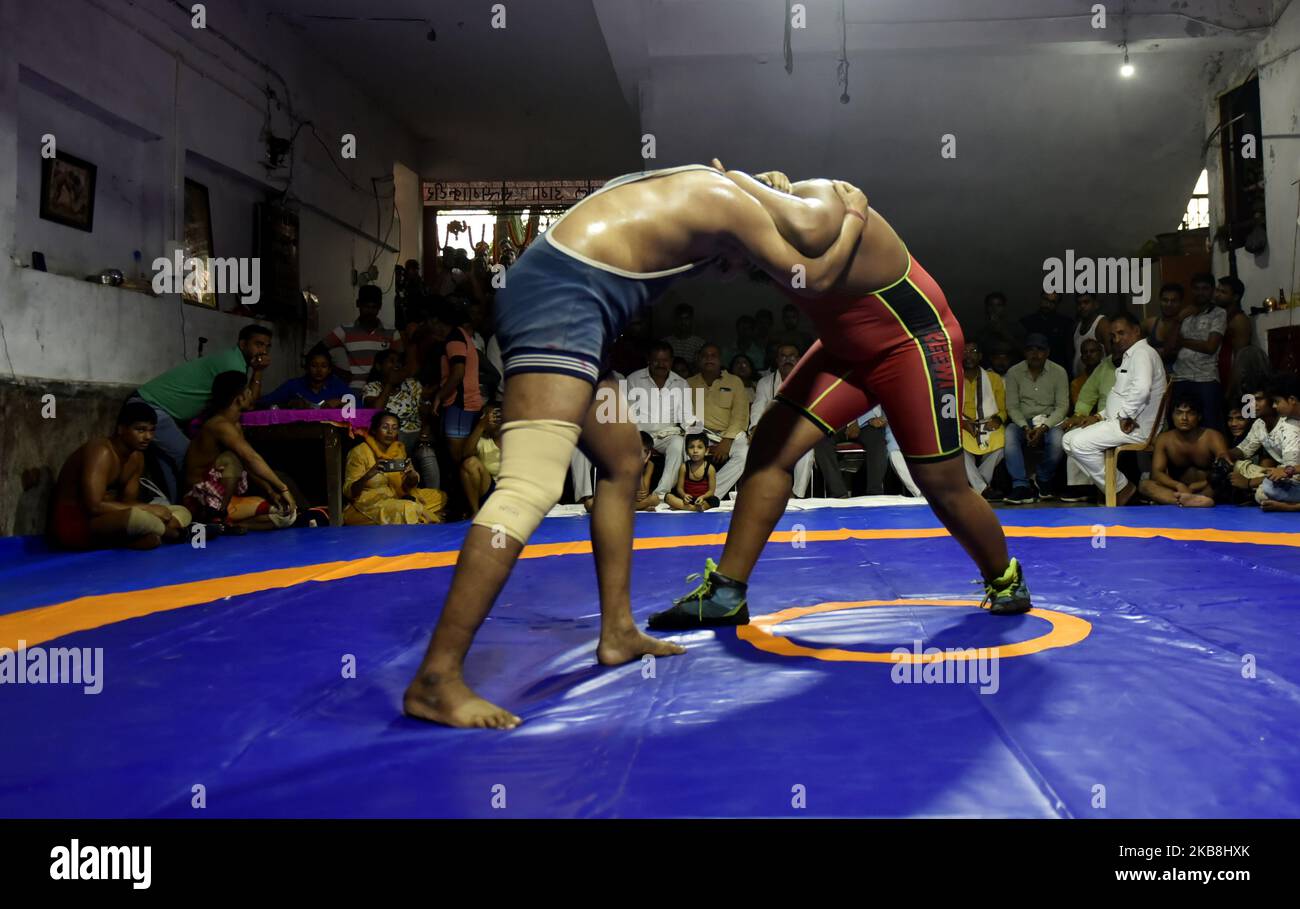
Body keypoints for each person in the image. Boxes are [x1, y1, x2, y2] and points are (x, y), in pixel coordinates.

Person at [404, 162, 869, 728]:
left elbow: (715, 254)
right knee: (531, 484)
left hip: (575, 300)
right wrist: (853, 212)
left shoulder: (705, 182)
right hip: (563, 299)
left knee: (623, 459)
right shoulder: (736, 205)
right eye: (749, 256)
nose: (736, 269)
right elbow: (815, 277)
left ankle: (618, 630)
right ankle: (436, 678)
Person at [650, 164, 1031, 632]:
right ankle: (728, 591)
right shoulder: (776, 222)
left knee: (940, 481)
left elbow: (820, 280)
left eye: (720, 253)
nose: (720, 270)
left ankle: (1005, 578)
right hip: (846, 349)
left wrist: (839, 210)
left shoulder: (821, 208)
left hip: (912, 344)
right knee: (768, 451)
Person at [128, 324, 273, 502]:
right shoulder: (232, 364)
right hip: (150, 407)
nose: (263, 351)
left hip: (154, 407)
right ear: (243, 344)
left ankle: (177, 507)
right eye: (258, 344)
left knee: (168, 463)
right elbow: (249, 403)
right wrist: (258, 372)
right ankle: (191, 507)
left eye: (267, 346)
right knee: (186, 456)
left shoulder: (236, 361)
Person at [48, 401, 192, 550]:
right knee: (139, 518)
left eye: (152, 430)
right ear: (121, 429)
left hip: (110, 519)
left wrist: (152, 511)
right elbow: (94, 507)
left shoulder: (137, 457)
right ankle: (175, 534)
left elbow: (128, 502)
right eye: (140, 430)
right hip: (75, 522)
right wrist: (149, 510)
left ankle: (148, 534)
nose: (148, 436)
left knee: (181, 511)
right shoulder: (101, 452)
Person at [1060, 311, 1166, 506]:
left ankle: (1121, 488)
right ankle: (1119, 487)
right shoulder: (1130, 355)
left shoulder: (1142, 353)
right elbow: (1121, 396)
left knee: (1078, 444)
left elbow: (1141, 391)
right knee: (1068, 440)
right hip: (1122, 421)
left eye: (1121, 333)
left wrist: (1126, 416)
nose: (1116, 339)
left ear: (1136, 331)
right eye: (1113, 336)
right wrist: (1099, 417)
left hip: (1134, 426)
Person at [182, 372, 297, 531]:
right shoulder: (219, 425)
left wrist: (271, 491)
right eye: (249, 391)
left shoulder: (234, 425)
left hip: (227, 498)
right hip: (200, 498)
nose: (252, 394)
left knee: (286, 515)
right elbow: (250, 457)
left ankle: (228, 525)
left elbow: (249, 464)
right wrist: (283, 488)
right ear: (239, 398)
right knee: (232, 459)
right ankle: (217, 516)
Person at [750, 343, 847, 498]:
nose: (787, 359)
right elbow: (758, 406)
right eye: (783, 356)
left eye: (792, 356)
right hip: (773, 432)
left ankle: (797, 496)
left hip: (800, 432)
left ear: (800, 359)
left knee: (806, 452)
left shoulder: (811, 380)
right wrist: (755, 427)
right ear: (776, 360)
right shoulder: (765, 383)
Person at [624, 342, 701, 500]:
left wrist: (693, 426)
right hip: (640, 434)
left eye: (665, 360)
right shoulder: (633, 379)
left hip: (666, 435)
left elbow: (687, 416)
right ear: (649, 360)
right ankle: (634, 495)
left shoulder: (681, 383)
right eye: (656, 360)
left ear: (671, 361)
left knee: (679, 444)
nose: (661, 364)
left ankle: (660, 495)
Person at [344, 411, 448, 525]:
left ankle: (416, 515)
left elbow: (406, 487)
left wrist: (412, 476)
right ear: (374, 430)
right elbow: (349, 492)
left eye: (394, 428)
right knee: (409, 507)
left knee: (440, 496)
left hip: (397, 497)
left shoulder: (397, 449)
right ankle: (422, 516)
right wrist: (369, 474)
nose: (390, 432)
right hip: (370, 503)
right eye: (385, 427)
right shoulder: (359, 452)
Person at [1002, 334, 1070, 503]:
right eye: (1030, 349)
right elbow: (1012, 406)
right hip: (1022, 422)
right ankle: (1021, 486)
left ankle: (1043, 479)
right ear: (1024, 352)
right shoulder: (1014, 372)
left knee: (1057, 439)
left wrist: (1044, 427)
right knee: (1010, 434)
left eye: (1040, 349)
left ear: (1047, 352)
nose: (1035, 354)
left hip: (1049, 422)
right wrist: (1025, 427)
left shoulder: (1059, 372)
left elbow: (1062, 407)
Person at [363, 349, 439, 490]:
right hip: (390, 440)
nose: (396, 365)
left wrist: (424, 431)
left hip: (416, 437)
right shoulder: (372, 388)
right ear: (379, 366)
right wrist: (389, 384)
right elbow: (376, 411)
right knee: (397, 439)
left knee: (427, 454)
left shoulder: (412, 385)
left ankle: (431, 494)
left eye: (398, 362)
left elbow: (426, 412)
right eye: (391, 361)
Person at [1137, 395, 1228, 507]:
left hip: (1207, 487)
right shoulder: (1164, 439)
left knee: (1223, 481)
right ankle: (1188, 501)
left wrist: (1198, 485)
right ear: (1172, 416)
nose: (1184, 418)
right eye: (1179, 413)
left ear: (1199, 416)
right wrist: (1178, 485)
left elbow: (1224, 464)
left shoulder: (1212, 436)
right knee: (1145, 485)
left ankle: (1192, 500)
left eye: (1190, 413)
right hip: (1179, 490)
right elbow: (1157, 473)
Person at [688, 344, 751, 499]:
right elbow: (684, 415)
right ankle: (684, 493)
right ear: (698, 359)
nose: (709, 359)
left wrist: (727, 440)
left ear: (720, 359)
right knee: (680, 447)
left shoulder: (734, 381)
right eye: (705, 356)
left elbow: (740, 414)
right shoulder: (688, 383)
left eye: (713, 356)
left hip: (729, 432)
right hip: (699, 431)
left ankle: (711, 494)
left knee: (745, 453)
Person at [1218, 379, 1295, 502]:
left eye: (1258, 399)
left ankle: (1252, 493)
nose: (1252, 404)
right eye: (1250, 400)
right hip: (1279, 473)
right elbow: (1244, 449)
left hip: (1292, 475)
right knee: (1235, 466)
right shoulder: (1259, 424)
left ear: (1272, 401)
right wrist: (1226, 455)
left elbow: (1290, 472)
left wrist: (1249, 482)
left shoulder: (1289, 426)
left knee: (1263, 493)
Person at [1171, 272, 1226, 432]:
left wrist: (1183, 342)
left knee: (1209, 426)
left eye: (1205, 288)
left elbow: (1210, 347)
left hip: (1206, 377)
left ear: (1212, 291)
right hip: (1180, 377)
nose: (1200, 292)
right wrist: (1178, 319)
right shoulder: (1185, 314)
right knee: (1180, 426)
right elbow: (1171, 347)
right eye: (1196, 289)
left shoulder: (1219, 313)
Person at [322, 284, 403, 394]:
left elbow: (401, 363)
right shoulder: (345, 330)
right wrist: (338, 372)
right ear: (358, 304)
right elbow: (317, 351)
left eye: (373, 307)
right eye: (366, 307)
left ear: (380, 307)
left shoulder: (392, 333)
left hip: (382, 390)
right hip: (355, 390)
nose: (370, 311)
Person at [960, 340, 1007, 500]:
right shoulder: (952, 379)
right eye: (964, 352)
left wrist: (998, 420)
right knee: (958, 450)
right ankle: (983, 489)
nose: (968, 355)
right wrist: (963, 423)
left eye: (973, 351)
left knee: (1002, 444)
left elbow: (1002, 409)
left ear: (980, 356)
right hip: (962, 424)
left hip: (988, 422)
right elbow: (947, 409)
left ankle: (976, 485)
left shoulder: (993, 379)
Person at [1253, 374, 1300, 510]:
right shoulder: (1293, 422)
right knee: (1267, 488)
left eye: (1277, 401)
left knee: (1265, 490)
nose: (1274, 406)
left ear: (1291, 400)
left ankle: (1290, 507)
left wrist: (1288, 470)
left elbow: (1291, 469)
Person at [258, 346, 353, 410]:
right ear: (307, 367)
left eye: (324, 366)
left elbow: (359, 406)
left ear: (329, 369)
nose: (319, 370)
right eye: (314, 366)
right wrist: (287, 404)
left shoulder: (337, 385)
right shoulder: (294, 385)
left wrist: (340, 402)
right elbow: (262, 403)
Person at [459, 405, 503, 517]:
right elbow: (465, 454)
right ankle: (475, 512)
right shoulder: (483, 441)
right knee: (470, 463)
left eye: (497, 416)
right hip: (492, 489)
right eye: (491, 417)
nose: (494, 420)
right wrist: (481, 425)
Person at [1020, 291, 1074, 378]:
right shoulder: (1027, 322)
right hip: (1031, 373)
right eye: (1045, 300)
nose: (1047, 304)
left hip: (1057, 373)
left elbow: (1068, 353)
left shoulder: (1066, 324)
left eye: (1052, 302)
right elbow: (1022, 350)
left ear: (1057, 304)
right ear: (1041, 299)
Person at [1143, 283, 1190, 370]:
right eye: (1165, 300)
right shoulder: (1150, 323)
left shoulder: (1187, 324)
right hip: (1154, 374)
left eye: (1174, 301)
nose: (1169, 304)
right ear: (1160, 301)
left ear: (1181, 302)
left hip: (1180, 375)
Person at [666, 434, 718, 511]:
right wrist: (684, 495)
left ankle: (692, 507)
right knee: (668, 497)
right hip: (688, 500)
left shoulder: (710, 469)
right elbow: (679, 488)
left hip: (702, 500)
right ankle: (694, 508)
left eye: (700, 447)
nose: (695, 451)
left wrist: (703, 497)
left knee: (715, 500)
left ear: (706, 451)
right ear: (687, 451)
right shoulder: (684, 467)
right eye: (691, 447)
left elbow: (711, 491)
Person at [1071, 293, 1109, 377]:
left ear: (1095, 304)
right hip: (1080, 383)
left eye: (1086, 302)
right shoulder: (1077, 326)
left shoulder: (1102, 323)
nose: (1082, 306)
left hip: (1099, 381)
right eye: (1079, 303)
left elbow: (1112, 355)